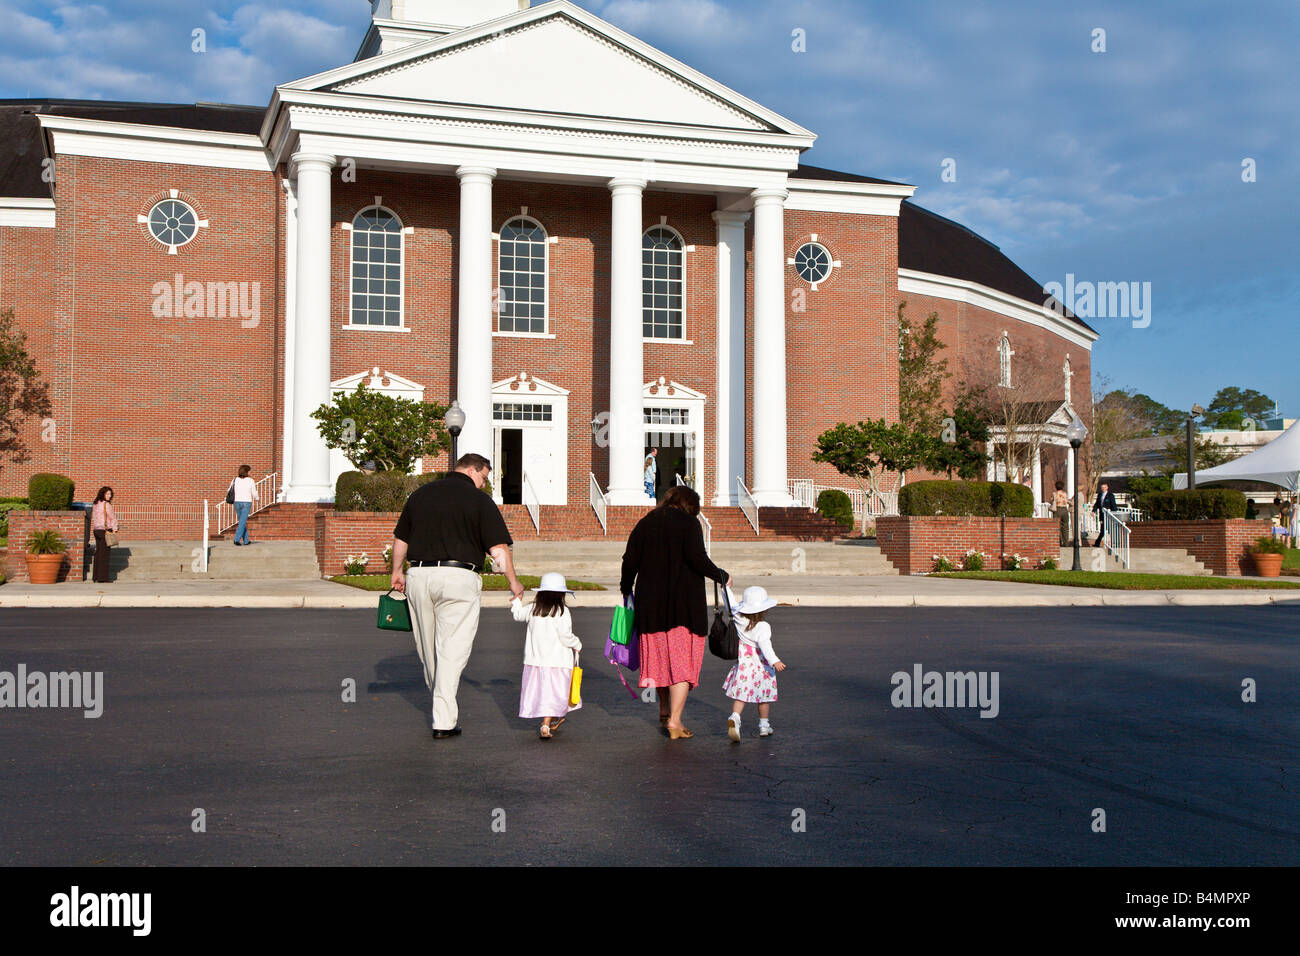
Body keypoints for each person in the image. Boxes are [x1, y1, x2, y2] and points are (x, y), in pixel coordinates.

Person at [391, 453, 524, 739]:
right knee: (453, 649)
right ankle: (443, 720)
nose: (484, 484)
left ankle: (442, 708)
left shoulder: (420, 495)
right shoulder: (479, 501)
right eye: (484, 477)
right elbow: (498, 550)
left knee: (427, 648)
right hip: (459, 577)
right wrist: (513, 581)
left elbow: (401, 538)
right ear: (473, 470)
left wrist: (397, 571)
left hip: (419, 575)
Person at [620, 484, 730, 740]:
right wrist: (721, 576)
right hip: (684, 607)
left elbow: (630, 560)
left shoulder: (646, 522)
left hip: (651, 608)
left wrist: (626, 588)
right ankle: (675, 721)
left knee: (659, 661)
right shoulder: (689, 524)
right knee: (681, 665)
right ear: (690, 505)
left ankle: (664, 709)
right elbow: (697, 558)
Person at [512, 572, 582, 740]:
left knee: (544, 693)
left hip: (535, 661)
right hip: (558, 661)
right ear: (561, 594)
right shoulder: (562, 611)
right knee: (556, 693)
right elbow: (565, 635)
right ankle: (551, 720)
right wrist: (577, 643)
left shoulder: (533, 609)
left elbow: (517, 615)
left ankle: (548, 722)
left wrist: (517, 600)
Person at [722, 584, 786, 741]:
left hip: (744, 668)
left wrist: (725, 589)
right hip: (761, 670)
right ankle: (764, 726)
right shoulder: (763, 626)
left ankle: (735, 717)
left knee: (741, 697)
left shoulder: (739, 620)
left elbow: (731, 605)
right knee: (763, 698)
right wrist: (774, 660)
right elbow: (765, 646)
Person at [90, 486, 118, 584]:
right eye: (107, 494)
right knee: (104, 555)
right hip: (105, 530)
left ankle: (95, 576)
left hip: (96, 530)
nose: (109, 496)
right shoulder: (107, 505)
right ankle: (103, 578)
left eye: (110, 494)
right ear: (103, 494)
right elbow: (112, 518)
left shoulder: (96, 504)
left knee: (98, 553)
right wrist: (115, 529)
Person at [228, 465, 258, 546]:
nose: (250, 472)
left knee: (242, 521)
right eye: (249, 471)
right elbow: (254, 492)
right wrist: (257, 498)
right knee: (242, 522)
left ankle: (246, 540)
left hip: (237, 502)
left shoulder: (235, 480)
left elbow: (229, 490)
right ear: (246, 471)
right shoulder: (250, 480)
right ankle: (236, 539)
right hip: (246, 502)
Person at [1092, 483, 1117, 548]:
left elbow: (1113, 505)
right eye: (1102, 487)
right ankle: (1097, 543)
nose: (1103, 489)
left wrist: (1114, 513)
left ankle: (1115, 543)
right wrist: (1093, 511)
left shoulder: (1110, 495)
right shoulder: (1100, 495)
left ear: (1107, 488)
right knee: (1102, 530)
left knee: (1111, 530)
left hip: (1109, 515)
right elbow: (1097, 504)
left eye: (1104, 487)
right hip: (1102, 515)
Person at [1052, 481, 1071, 546]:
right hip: (1064, 509)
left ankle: (1059, 542)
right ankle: (1066, 542)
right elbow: (1067, 501)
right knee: (1065, 527)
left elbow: (1052, 500)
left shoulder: (1055, 494)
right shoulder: (1065, 493)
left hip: (1057, 509)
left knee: (1057, 526)